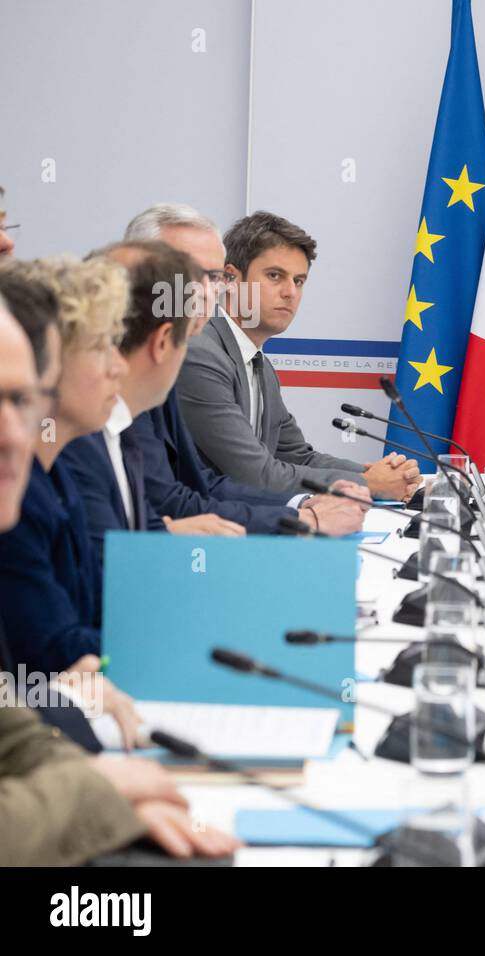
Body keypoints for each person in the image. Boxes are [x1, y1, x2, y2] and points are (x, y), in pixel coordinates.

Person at [0, 293, 238, 864]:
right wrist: (94, 791)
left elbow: (10, 726)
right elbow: (61, 644)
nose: (13, 433)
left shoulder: (65, 465)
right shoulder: (40, 481)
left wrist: (103, 785)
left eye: (17, 400)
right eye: (100, 349)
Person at [122, 204, 365, 535]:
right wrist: (307, 517)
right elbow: (175, 503)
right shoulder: (182, 359)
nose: (209, 292)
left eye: (214, 277)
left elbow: (203, 486)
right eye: (189, 273)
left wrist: (303, 504)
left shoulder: (248, 364)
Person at [0, 256, 143, 744]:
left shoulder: (56, 471)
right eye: (102, 347)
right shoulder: (17, 498)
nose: (119, 367)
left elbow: (95, 617)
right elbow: (56, 650)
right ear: (52, 365)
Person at [177, 211, 420, 497]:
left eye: (299, 281)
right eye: (275, 276)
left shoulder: (261, 366)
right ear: (230, 279)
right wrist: (369, 484)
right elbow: (256, 475)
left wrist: (374, 474)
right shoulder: (201, 354)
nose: (290, 292)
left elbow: (299, 457)